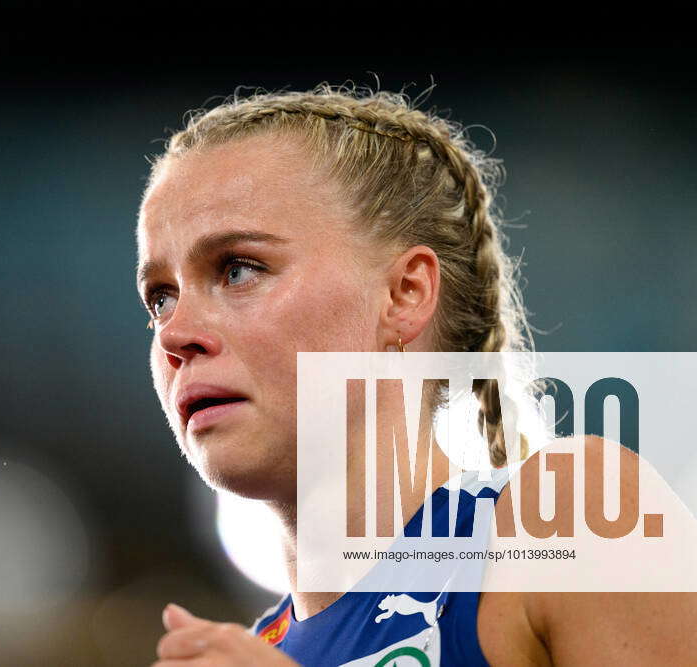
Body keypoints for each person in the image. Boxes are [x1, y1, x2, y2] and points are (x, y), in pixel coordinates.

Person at [134, 84, 697, 665]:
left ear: (405, 293)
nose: (175, 334)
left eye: (239, 269)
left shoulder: (569, 522)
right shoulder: (254, 652)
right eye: (159, 298)